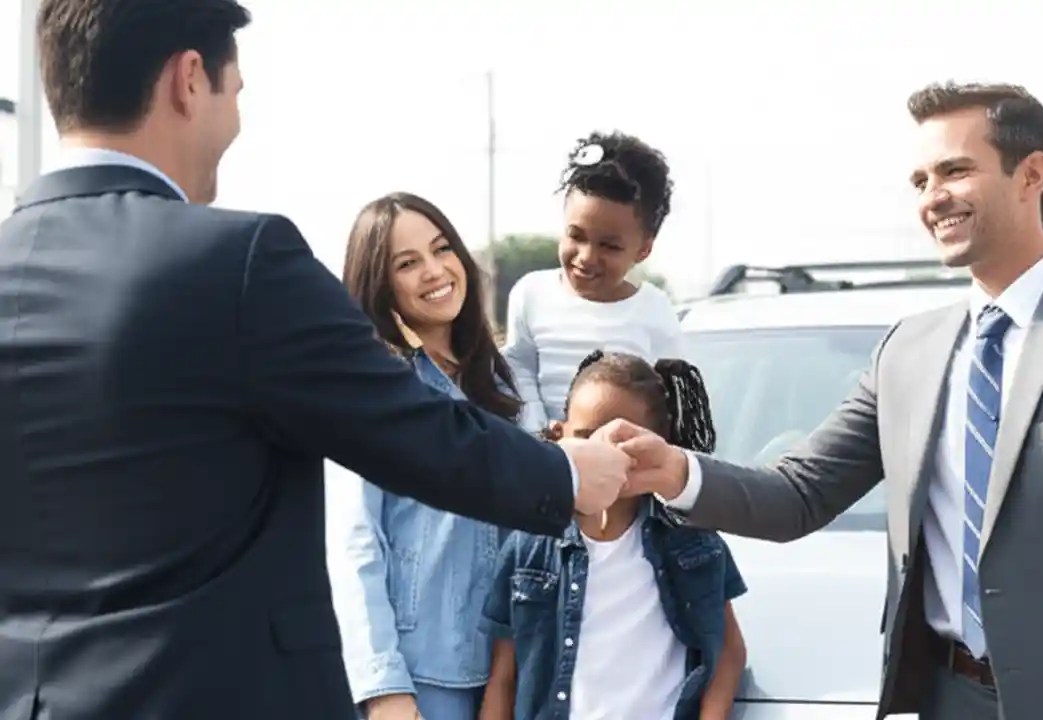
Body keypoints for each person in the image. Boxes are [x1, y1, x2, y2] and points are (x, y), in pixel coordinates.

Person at [0, 2, 629, 719]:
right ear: (189, 79)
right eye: (236, 93)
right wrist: (571, 472)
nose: (235, 119)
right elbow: (412, 430)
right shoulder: (236, 260)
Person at [608, 82, 1043, 720]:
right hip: (944, 699)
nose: (932, 197)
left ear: (1032, 175)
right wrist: (676, 471)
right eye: (919, 180)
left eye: (955, 171)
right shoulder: (909, 350)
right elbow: (799, 493)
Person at [327, 193, 521, 720]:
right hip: (421, 679)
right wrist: (383, 685)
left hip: (517, 673)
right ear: (379, 283)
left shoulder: (505, 385)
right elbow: (354, 543)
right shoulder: (373, 394)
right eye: (408, 263)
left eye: (442, 249)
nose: (435, 271)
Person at [478, 351, 747, 720]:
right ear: (560, 435)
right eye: (588, 438)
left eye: (623, 443)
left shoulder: (692, 541)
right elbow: (503, 675)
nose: (604, 456)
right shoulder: (530, 542)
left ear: (657, 444)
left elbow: (730, 649)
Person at [503, 131, 686, 431]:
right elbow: (518, 369)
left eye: (609, 246)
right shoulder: (530, 294)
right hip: (549, 461)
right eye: (576, 236)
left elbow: (671, 403)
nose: (586, 257)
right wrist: (539, 430)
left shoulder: (653, 309)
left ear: (643, 249)